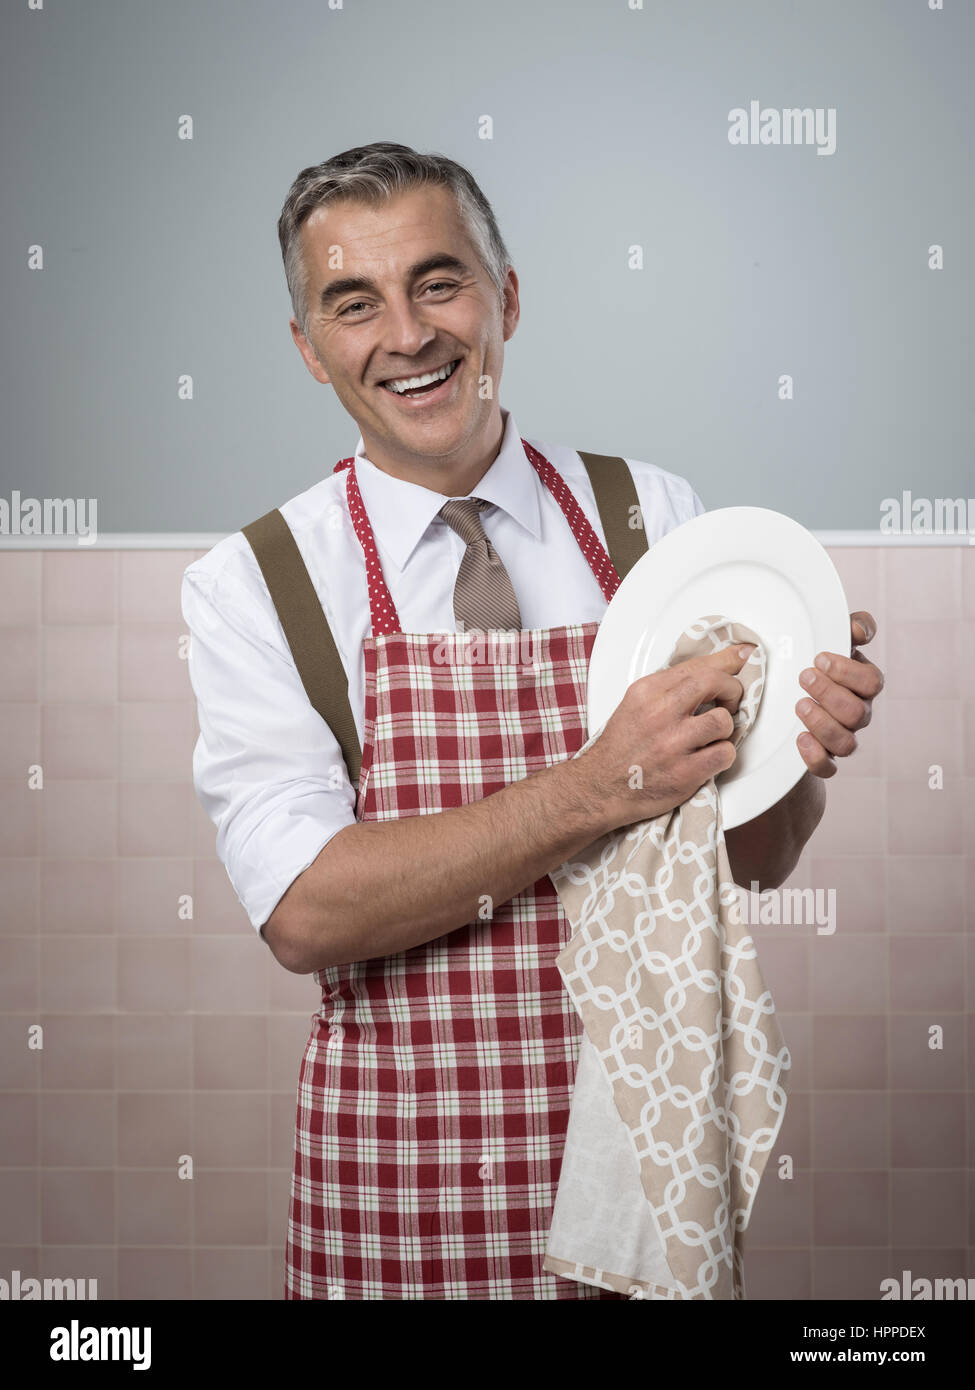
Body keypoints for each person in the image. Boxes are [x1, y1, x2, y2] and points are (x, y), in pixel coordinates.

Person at [181, 142, 884, 1300]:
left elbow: (752, 857)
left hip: (646, 1164)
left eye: (440, 282)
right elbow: (306, 911)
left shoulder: (654, 518)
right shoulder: (256, 583)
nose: (408, 335)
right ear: (311, 350)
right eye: (356, 304)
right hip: (401, 1175)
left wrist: (793, 754)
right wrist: (600, 785)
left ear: (507, 298)